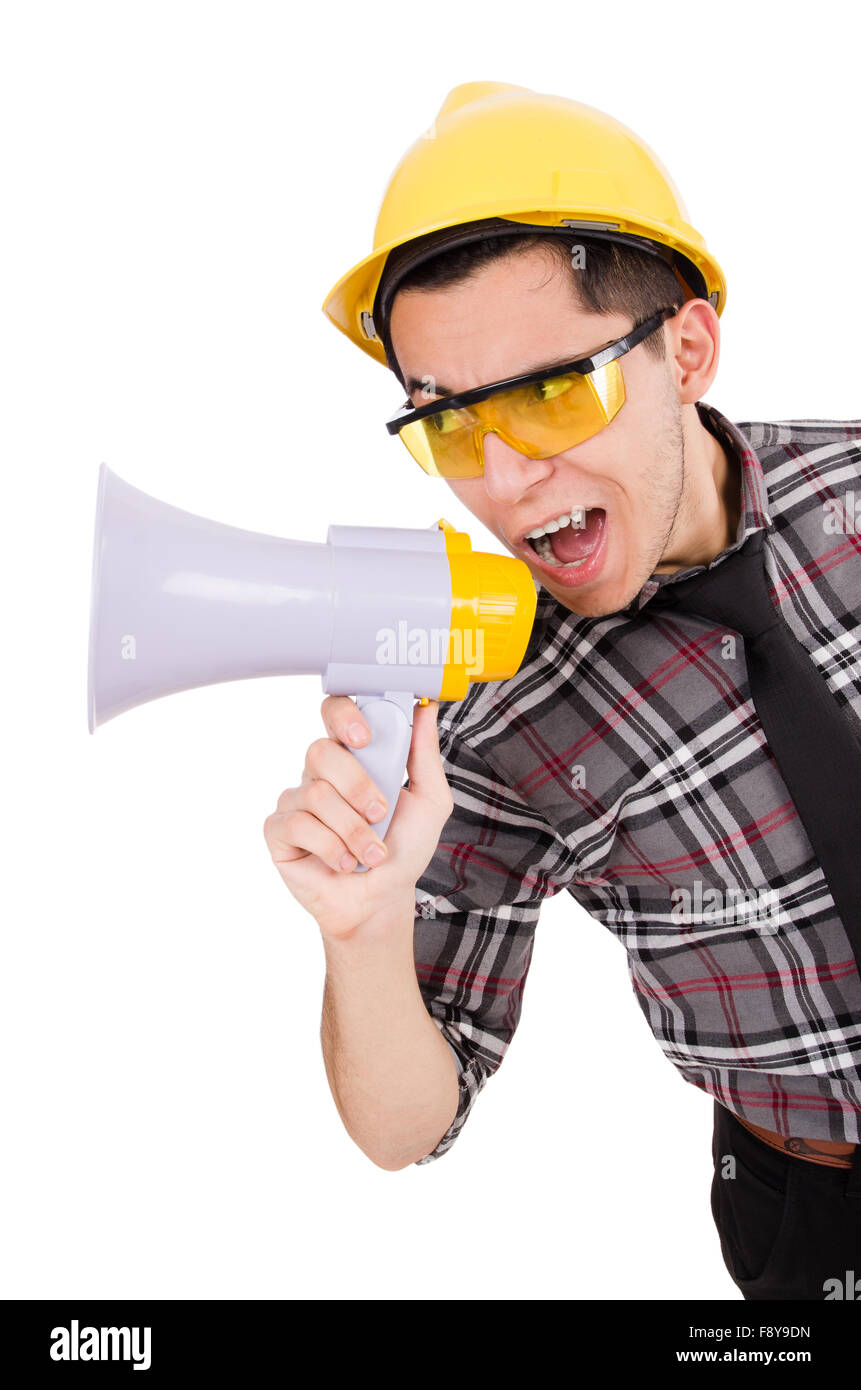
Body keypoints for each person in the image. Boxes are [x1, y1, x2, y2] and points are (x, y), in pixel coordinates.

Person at [263, 81, 861, 1299]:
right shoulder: (485, 716)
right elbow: (404, 1123)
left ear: (685, 348)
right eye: (447, 422)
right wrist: (363, 931)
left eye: (549, 390)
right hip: (823, 1211)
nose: (504, 476)